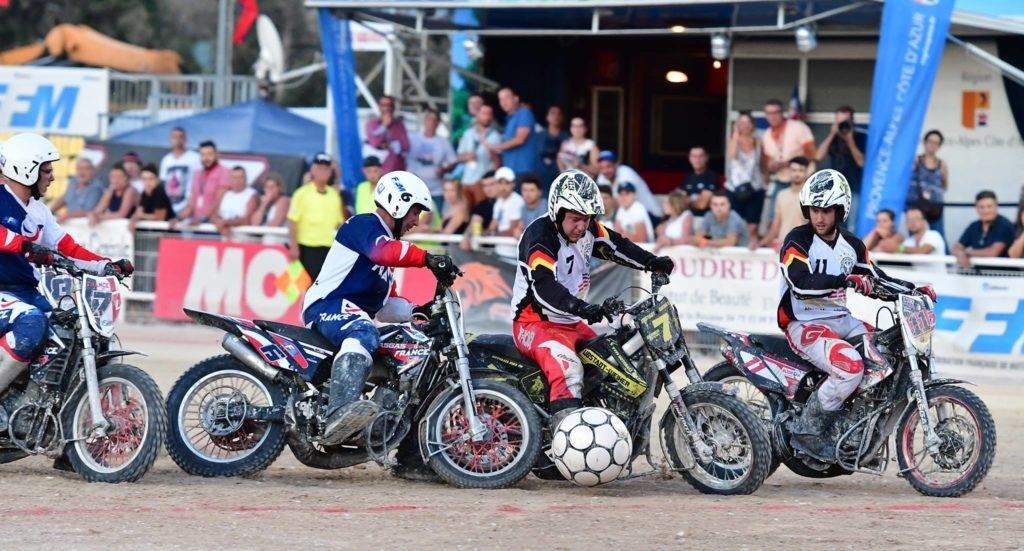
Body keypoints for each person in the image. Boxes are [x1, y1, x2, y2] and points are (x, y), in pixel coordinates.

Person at [778, 169, 934, 462]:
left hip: (841, 320)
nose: (820, 217)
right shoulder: (797, 240)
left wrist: (914, 289)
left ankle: (856, 430)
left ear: (841, 210)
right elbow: (799, 282)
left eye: (827, 210)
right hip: (804, 323)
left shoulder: (853, 245)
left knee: (885, 357)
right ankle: (808, 433)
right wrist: (844, 281)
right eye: (814, 209)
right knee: (850, 366)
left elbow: (875, 279)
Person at [302, 170, 460, 446]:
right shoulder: (364, 225)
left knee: (404, 345)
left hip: (351, 313)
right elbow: (382, 252)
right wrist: (428, 258)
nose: (416, 221)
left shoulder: (387, 256)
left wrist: (418, 313)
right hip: (326, 305)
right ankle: (339, 413)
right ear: (398, 204)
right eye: (415, 212)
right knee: (364, 332)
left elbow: (385, 307)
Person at [511, 169, 673, 426]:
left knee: (609, 366)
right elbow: (543, 287)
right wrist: (581, 307)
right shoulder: (540, 237)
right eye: (576, 219)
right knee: (570, 371)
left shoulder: (586, 229)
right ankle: (564, 444)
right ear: (557, 211)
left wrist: (652, 262)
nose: (582, 226)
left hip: (570, 322)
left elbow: (617, 245)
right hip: (533, 323)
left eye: (587, 219)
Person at [0, 133, 133, 428]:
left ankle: (57, 428)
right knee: (31, 323)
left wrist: (106, 265)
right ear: (26, 169)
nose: (51, 177)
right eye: (46, 170)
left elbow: (68, 248)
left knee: (69, 335)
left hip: (24, 292)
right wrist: (22, 244)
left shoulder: (39, 212)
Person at [287, 155, 346, 280]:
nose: (323, 172)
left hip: (326, 247)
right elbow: (292, 221)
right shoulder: (301, 193)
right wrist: (294, 246)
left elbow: (339, 223)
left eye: (327, 169)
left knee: (319, 285)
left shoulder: (334, 195)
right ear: (312, 170)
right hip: (304, 246)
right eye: (319, 168)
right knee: (295, 288)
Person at [761, 99, 815, 226]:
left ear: (782, 113)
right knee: (773, 217)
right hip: (782, 179)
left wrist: (788, 163)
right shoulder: (767, 135)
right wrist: (772, 166)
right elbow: (768, 163)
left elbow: (812, 154)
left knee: (805, 218)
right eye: (769, 113)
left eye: (775, 112)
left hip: (803, 180)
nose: (772, 116)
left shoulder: (798, 127)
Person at [815, 106, 865, 226]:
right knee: (835, 225)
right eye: (839, 122)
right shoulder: (833, 138)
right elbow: (818, 156)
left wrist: (850, 141)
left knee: (852, 225)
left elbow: (861, 162)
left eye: (844, 121)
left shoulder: (860, 136)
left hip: (854, 188)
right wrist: (832, 135)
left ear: (852, 122)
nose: (841, 125)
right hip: (835, 190)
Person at [726, 112, 766, 243]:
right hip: (735, 187)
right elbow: (732, 155)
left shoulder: (758, 141)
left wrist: (767, 179)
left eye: (748, 122)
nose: (745, 126)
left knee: (753, 225)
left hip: (755, 186)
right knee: (736, 222)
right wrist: (736, 135)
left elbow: (762, 162)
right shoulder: (733, 140)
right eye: (741, 123)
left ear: (753, 125)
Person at [406, 109, 458, 208]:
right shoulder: (412, 138)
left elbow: (454, 162)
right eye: (429, 118)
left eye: (434, 120)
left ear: (438, 123)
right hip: (412, 190)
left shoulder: (443, 142)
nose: (431, 122)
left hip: (435, 191)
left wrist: (444, 169)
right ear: (424, 120)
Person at [953, 190, 1015, 268]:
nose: (986, 211)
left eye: (989, 206)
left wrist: (967, 252)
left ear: (996, 206)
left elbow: (992, 252)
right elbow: (957, 246)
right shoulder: (974, 226)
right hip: (978, 275)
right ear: (976, 208)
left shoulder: (1004, 225)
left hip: (1003, 276)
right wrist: (959, 253)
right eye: (981, 207)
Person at [759, 156, 811, 250]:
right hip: (782, 246)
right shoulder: (781, 195)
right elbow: (776, 225)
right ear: (789, 172)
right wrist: (761, 244)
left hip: (803, 247)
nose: (797, 173)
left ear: (806, 172)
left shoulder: (811, 196)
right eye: (794, 170)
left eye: (800, 170)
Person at [174, 140, 230, 226]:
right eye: (203, 155)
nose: (206, 158)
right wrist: (178, 218)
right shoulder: (197, 174)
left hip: (214, 226)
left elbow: (218, 201)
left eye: (209, 154)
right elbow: (191, 203)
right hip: (196, 226)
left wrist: (202, 219)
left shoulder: (224, 172)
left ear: (216, 154)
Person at [455, 103, 501, 206]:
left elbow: (498, 164)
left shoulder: (495, 136)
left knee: (481, 212)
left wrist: (492, 150)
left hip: (483, 183)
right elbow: (458, 157)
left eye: (489, 114)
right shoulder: (468, 133)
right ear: (477, 115)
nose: (487, 116)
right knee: (466, 214)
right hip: (466, 181)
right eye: (484, 113)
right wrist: (467, 157)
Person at [906, 130, 949, 239]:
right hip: (916, 206)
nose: (932, 145)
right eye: (930, 141)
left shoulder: (942, 164)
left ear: (939, 146)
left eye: (936, 143)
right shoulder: (915, 160)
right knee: (915, 236)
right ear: (924, 143)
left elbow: (945, 186)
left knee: (939, 235)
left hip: (935, 206)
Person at [487, 86, 538, 175]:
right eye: (501, 99)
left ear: (516, 98)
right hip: (510, 169)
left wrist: (496, 147)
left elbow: (519, 139)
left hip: (523, 169)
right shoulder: (509, 118)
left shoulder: (524, 113)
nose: (503, 102)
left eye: (507, 98)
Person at [596, 150, 663, 218]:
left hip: (650, 214)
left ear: (617, 164)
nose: (605, 171)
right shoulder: (602, 176)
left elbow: (624, 201)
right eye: (601, 168)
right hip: (628, 214)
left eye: (608, 166)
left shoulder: (626, 173)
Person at [159, 126, 202, 215]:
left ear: (186, 140)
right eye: (174, 137)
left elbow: (200, 183)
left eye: (181, 137)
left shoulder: (195, 158)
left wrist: (191, 205)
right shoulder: (166, 160)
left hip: (188, 207)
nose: (177, 140)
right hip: (169, 207)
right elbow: (163, 183)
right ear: (170, 139)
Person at [364, 95, 410, 172]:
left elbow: (406, 146)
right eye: (384, 105)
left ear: (393, 107)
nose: (387, 108)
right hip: (378, 172)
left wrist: (390, 145)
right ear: (380, 107)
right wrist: (384, 125)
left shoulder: (399, 125)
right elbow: (375, 142)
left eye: (390, 105)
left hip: (395, 169)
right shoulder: (372, 123)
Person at [210, 166, 258, 238]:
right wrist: (220, 223)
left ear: (246, 179)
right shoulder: (226, 194)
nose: (237, 181)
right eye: (234, 178)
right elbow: (214, 215)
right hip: (222, 234)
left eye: (240, 177)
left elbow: (248, 220)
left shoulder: (252, 195)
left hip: (243, 236)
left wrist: (226, 223)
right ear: (230, 179)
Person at [459, 171, 498, 251]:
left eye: (492, 184)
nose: (488, 189)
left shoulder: (512, 201)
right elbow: (474, 222)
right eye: (485, 186)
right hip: (487, 251)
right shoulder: (482, 205)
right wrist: (466, 237)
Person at [129, 164, 174, 230]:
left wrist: (141, 215)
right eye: (144, 179)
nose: (147, 182)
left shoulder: (159, 192)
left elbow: (160, 217)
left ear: (157, 179)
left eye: (151, 179)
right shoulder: (144, 193)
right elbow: (138, 211)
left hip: (167, 232)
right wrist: (133, 220)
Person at [681, 146, 719, 218]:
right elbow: (679, 202)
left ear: (706, 158)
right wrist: (696, 199)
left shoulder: (711, 176)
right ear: (689, 158)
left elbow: (702, 205)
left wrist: (689, 200)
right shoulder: (688, 177)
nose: (697, 160)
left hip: (705, 218)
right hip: (688, 217)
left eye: (701, 156)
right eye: (694, 156)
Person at [536, 105, 569, 188]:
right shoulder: (539, 136)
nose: (556, 116)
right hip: (541, 176)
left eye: (559, 114)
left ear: (562, 118)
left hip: (559, 176)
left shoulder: (567, 137)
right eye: (553, 113)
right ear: (547, 117)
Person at [487, 167, 524, 238]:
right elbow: (493, 226)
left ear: (513, 184)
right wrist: (487, 232)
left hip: (512, 247)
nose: (503, 187)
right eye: (500, 183)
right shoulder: (498, 202)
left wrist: (493, 234)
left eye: (507, 183)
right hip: (500, 246)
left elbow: (513, 231)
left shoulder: (517, 201)